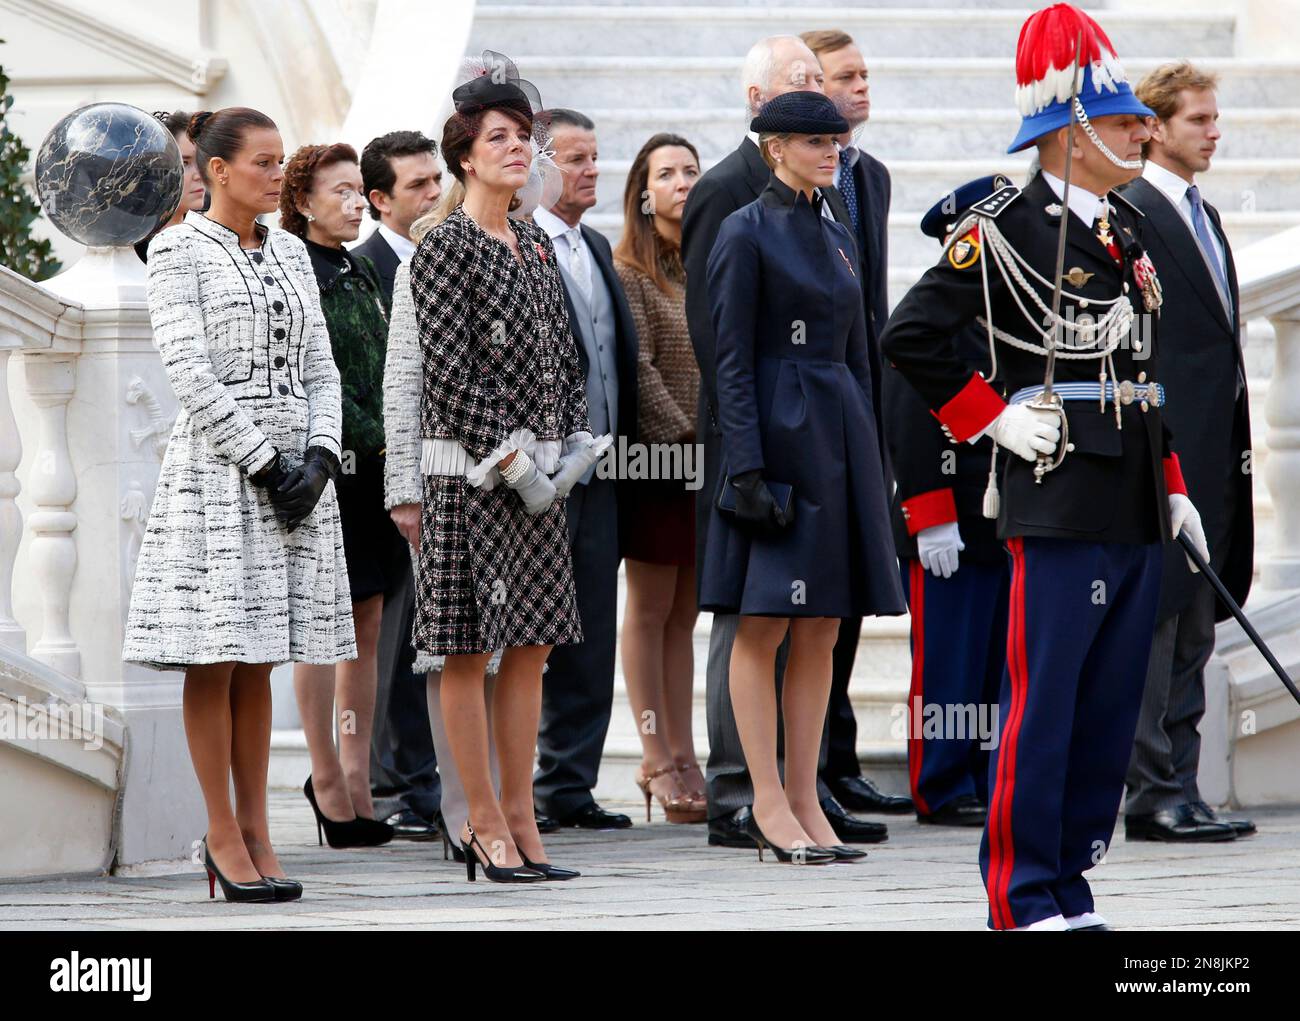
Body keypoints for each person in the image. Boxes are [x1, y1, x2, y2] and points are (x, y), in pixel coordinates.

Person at [880, 3, 1212, 930]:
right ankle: (1022, 895)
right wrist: (991, 419)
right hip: (1057, 485)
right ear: (1070, 134)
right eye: (1120, 124)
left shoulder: (1124, 230)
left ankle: (1071, 884)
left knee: (1106, 708)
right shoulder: (1001, 226)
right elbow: (909, 336)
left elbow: (1141, 372)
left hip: (1135, 489)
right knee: (1047, 701)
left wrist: (1177, 491)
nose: (1140, 131)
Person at [122, 106, 356, 903]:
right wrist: (264, 462)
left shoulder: (290, 247)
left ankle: (259, 828)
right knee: (216, 650)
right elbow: (190, 373)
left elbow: (323, 369)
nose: (276, 174)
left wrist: (320, 456)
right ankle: (220, 832)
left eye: (280, 161)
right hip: (222, 475)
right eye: (263, 162)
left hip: (301, 475)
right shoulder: (177, 249)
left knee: (262, 654)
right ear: (217, 170)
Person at [681, 34, 889, 850]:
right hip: (774, 431)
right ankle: (765, 798)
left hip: (839, 438)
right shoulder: (741, 229)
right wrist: (748, 465)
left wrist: (869, 458)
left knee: (825, 624)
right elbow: (727, 358)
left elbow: (857, 347)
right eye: (815, 140)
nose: (832, 151)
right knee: (764, 621)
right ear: (776, 148)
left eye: (835, 138)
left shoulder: (838, 226)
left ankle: (805, 798)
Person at [409, 63, 609, 882]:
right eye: (500, 139)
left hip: (542, 482)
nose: (518, 150)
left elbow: (562, 356)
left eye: (524, 139)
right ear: (465, 157)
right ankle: (481, 821)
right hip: (472, 478)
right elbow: (449, 373)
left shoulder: (531, 240)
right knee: (467, 652)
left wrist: (562, 449)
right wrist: (514, 457)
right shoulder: (443, 243)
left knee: (531, 649)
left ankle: (524, 819)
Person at [1120, 62, 1256, 842]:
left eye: (1215, 117)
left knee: (1196, 627)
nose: (1213, 131)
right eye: (1198, 119)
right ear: (1155, 127)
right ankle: (1151, 789)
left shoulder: (1204, 214)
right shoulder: (1133, 212)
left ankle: (1180, 781)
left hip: (1216, 459)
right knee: (1161, 625)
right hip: (1163, 457)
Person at [801, 28, 912, 816]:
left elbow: (871, 302)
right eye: (846, 76)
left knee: (850, 589)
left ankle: (837, 759)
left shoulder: (869, 175)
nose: (862, 86)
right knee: (804, 600)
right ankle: (790, 770)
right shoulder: (766, 186)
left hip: (861, 402)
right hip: (804, 410)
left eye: (867, 74)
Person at [882, 176, 1015, 827]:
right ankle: (941, 780)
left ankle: (991, 772)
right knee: (949, 663)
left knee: (998, 661)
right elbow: (909, 420)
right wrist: (931, 516)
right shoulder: (936, 311)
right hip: (951, 525)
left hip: (1005, 518)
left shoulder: (1013, 310)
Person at [277, 143, 398, 851]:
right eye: (342, 192)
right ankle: (324, 775)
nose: (356, 203)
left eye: (360, 191)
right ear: (303, 201)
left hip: (379, 469)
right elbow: (312, 373)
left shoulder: (359, 267)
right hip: (332, 466)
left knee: (369, 625)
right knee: (324, 628)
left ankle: (358, 776)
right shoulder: (297, 267)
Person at [530, 108, 640, 831]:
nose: (593, 169)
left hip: (600, 473)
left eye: (596, 157)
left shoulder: (597, 245)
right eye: (576, 158)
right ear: (538, 165)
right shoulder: (516, 245)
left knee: (592, 632)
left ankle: (571, 783)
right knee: (528, 635)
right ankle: (516, 786)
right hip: (533, 478)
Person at [354, 129, 446, 842]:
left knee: (436, 632)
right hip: (395, 475)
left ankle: (425, 777)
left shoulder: (445, 252)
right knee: (398, 634)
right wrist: (400, 478)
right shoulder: (367, 268)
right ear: (379, 199)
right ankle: (394, 782)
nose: (433, 192)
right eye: (417, 185)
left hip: (455, 470)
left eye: (435, 179)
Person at [613, 132, 707, 823]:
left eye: (690, 171)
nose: (682, 181)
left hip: (711, 463)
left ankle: (686, 749)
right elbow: (639, 367)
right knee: (649, 610)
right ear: (643, 193)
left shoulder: (709, 261)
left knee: (686, 614)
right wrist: (686, 439)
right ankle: (653, 754)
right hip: (659, 460)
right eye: (667, 173)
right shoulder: (629, 270)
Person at [134, 110, 206, 262]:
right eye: (185, 163)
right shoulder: (131, 244)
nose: (199, 175)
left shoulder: (208, 235)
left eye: (201, 161)